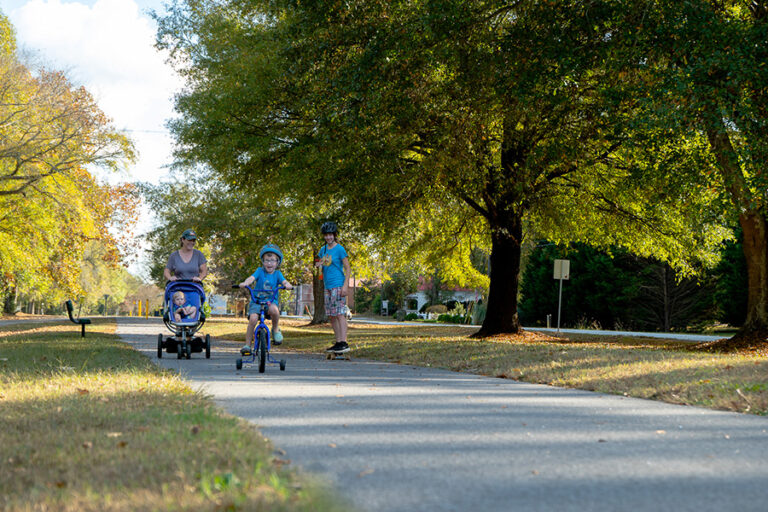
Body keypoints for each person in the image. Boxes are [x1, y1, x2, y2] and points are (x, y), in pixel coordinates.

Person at [238, 243, 293, 348]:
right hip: (257, 301)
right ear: (263, 262)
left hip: (270, 301)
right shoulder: (259, 271)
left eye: (272, 260)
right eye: (267, 260)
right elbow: (251, 278)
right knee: (253, 319)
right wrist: (245, 283)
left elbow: (284, 282)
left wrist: (287, 285)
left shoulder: (277, 274)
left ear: (277, 262)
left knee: (275, 310)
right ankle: (247, 345)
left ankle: (275, 329)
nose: (269, 263)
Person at [315, 221, 351, 353]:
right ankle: (338, 342)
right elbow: (318, 264)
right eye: (326, 235)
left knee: (340, 314)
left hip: (338, 284)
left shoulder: (340, 249)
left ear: (334, 235)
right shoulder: (322, 250)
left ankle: (344, 342)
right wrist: (318, 264)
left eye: (330, 235)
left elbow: (348, 268)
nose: (328, 237)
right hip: (327, 285)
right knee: (331, 315)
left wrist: (345, 286)